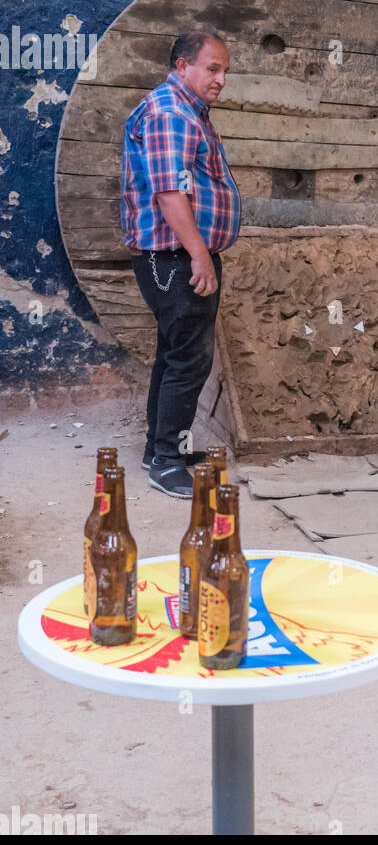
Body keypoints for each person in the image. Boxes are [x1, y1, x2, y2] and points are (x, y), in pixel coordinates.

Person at [121, 31, 240, 498]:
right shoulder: (171, 112)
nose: (222, 79)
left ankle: (158, 450)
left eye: (225, 70)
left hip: (176, 255)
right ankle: (166, 463)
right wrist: (199, 256)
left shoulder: (186, 109)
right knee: (190, 359)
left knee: (174, 354)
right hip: (173, 258)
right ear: (181, 65)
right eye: (213, 69)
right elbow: (171, 193)